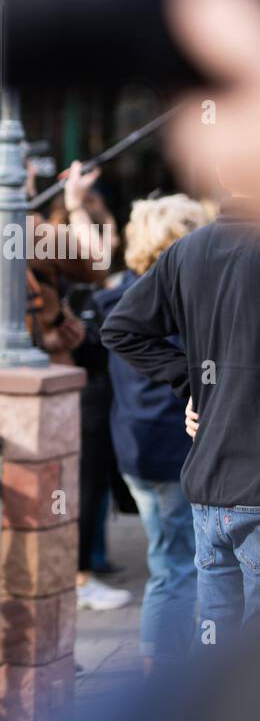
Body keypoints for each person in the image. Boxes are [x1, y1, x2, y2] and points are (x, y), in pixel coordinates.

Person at [102, 168, 260, 647]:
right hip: (243, 490)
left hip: (210, 490)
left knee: (216, 652)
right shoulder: (189, 252)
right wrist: (191, 382)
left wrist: (193, 384)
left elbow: (120, 329)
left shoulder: (187, 251)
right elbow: (121, 330)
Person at [94, 194, 210, 672]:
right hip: (166, 448)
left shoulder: (123, 290)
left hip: (138, 450)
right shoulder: (171, 297)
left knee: (175, 560)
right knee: (175, 566)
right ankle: (161, 674)